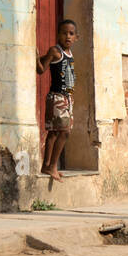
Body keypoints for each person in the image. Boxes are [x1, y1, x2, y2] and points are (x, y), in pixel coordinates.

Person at [37, 19, 77, 181]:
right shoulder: (55, 51)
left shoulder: (69, 53)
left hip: (67, 98)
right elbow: (41, 69)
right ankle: (52, 165)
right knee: (62, 132)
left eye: (71, 33)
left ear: (76, 37)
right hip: (56, 97)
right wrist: (35, 56)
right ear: (58, 35)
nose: (67, 36)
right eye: (64, 33)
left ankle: (47, 166)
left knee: (56, 132)